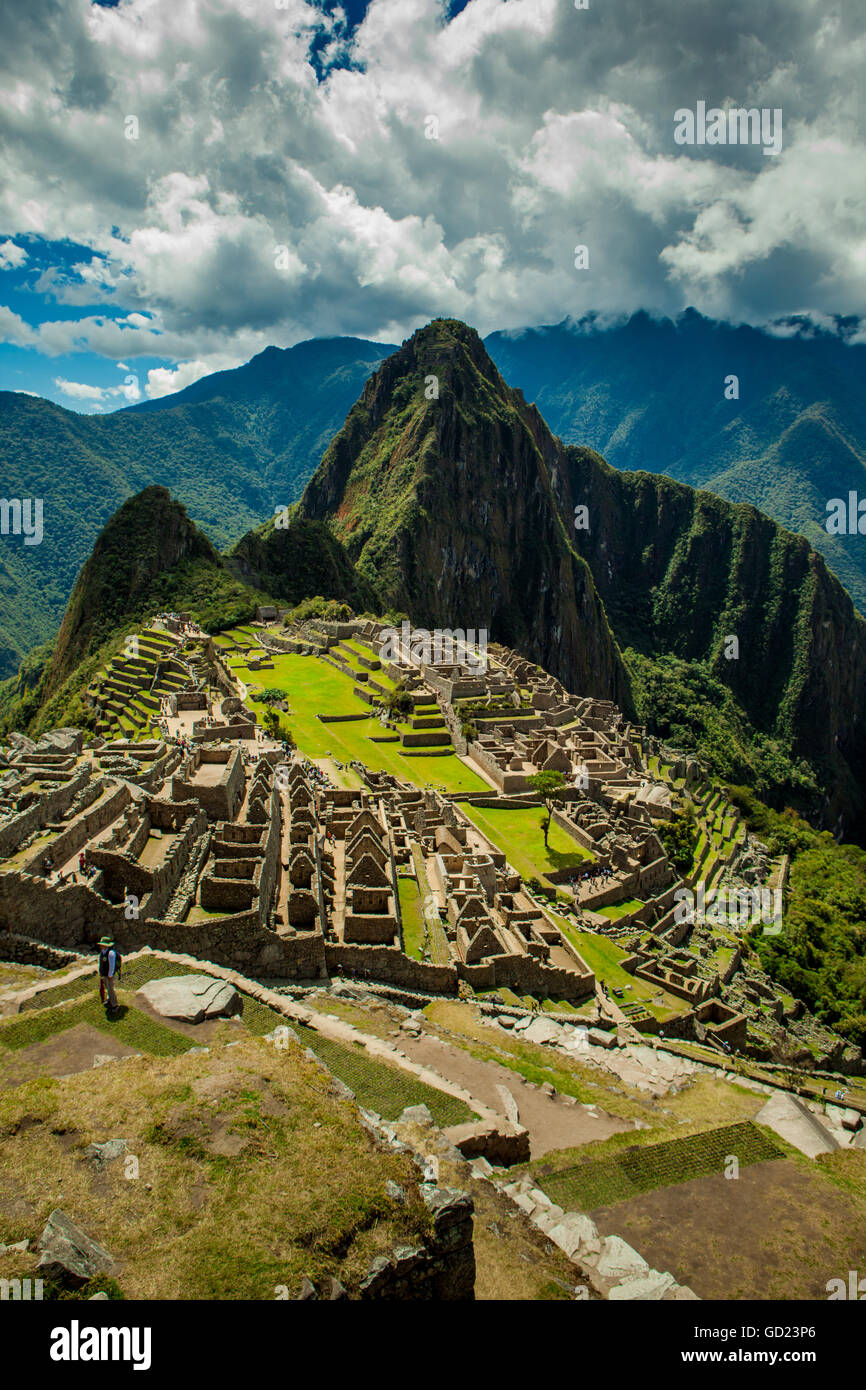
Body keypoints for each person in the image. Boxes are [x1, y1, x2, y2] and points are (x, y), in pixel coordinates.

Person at [98, 935, 122, 1014]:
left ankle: (115, 1005)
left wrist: (110, 975)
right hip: (104, 974)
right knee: (107, 987)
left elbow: (112, 965)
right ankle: (109, 1000)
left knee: (111, 989)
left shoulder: (110, 953)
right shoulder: (103, 952)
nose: (101, 946)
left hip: (109, 975)